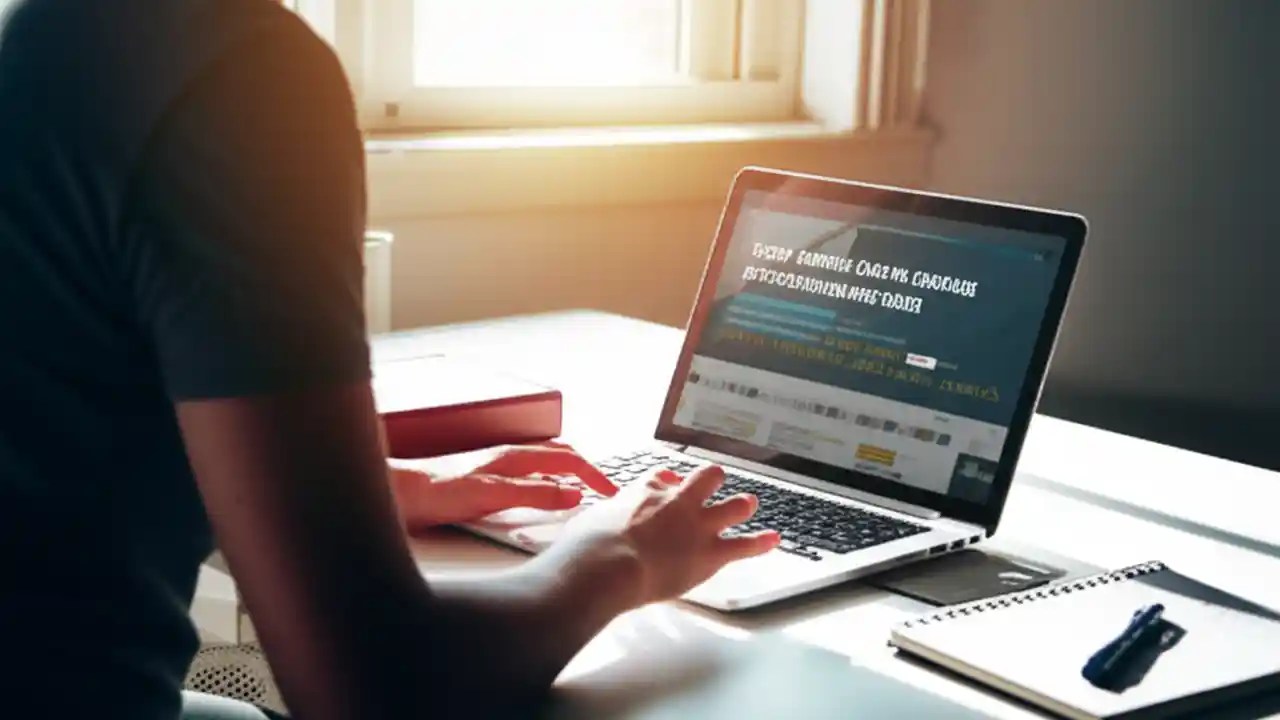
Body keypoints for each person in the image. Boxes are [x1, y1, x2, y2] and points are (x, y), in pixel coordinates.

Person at [0, 0, 779, 718]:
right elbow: (381, 687)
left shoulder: (54, 30)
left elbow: (58, 430)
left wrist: (358, 493)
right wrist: (618, 557)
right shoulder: (227, 70)